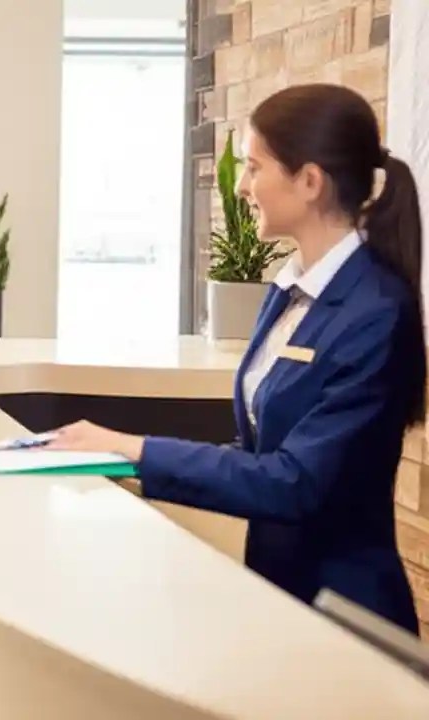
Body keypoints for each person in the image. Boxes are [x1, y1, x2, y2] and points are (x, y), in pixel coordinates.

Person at [47, 83, 426, 635]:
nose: (244, 186)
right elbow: (258, 452)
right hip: (281, 598)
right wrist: (122, 460)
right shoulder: (289, 292)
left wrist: (138, 450)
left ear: (310, 181)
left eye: (254, 167)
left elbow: (293, 480)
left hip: (344, 619)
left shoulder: (374, 311)